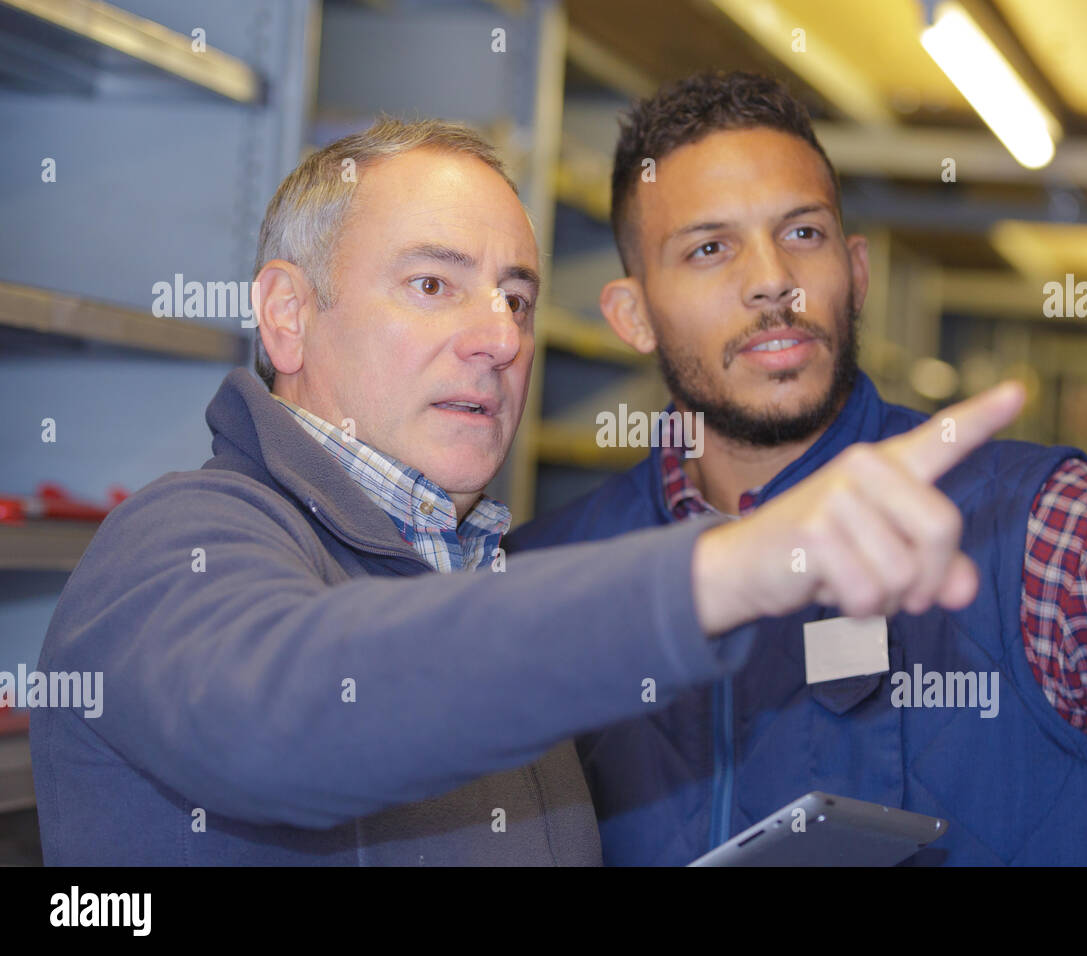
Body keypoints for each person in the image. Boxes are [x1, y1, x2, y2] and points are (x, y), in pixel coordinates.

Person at [30, 118, 1019, 865]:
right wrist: (721, 567)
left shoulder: (471, 573)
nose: (499, 336)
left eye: (516, 296)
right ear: (286, 316)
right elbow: (288, 709)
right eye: (432, 283)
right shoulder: (173, 544)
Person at [507, 72, 1087, 865]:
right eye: (710, 248)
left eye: (803, 233)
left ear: (856, 271)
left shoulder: (1018, 527)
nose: (771, 277)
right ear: (632, 315)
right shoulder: (546, 578)